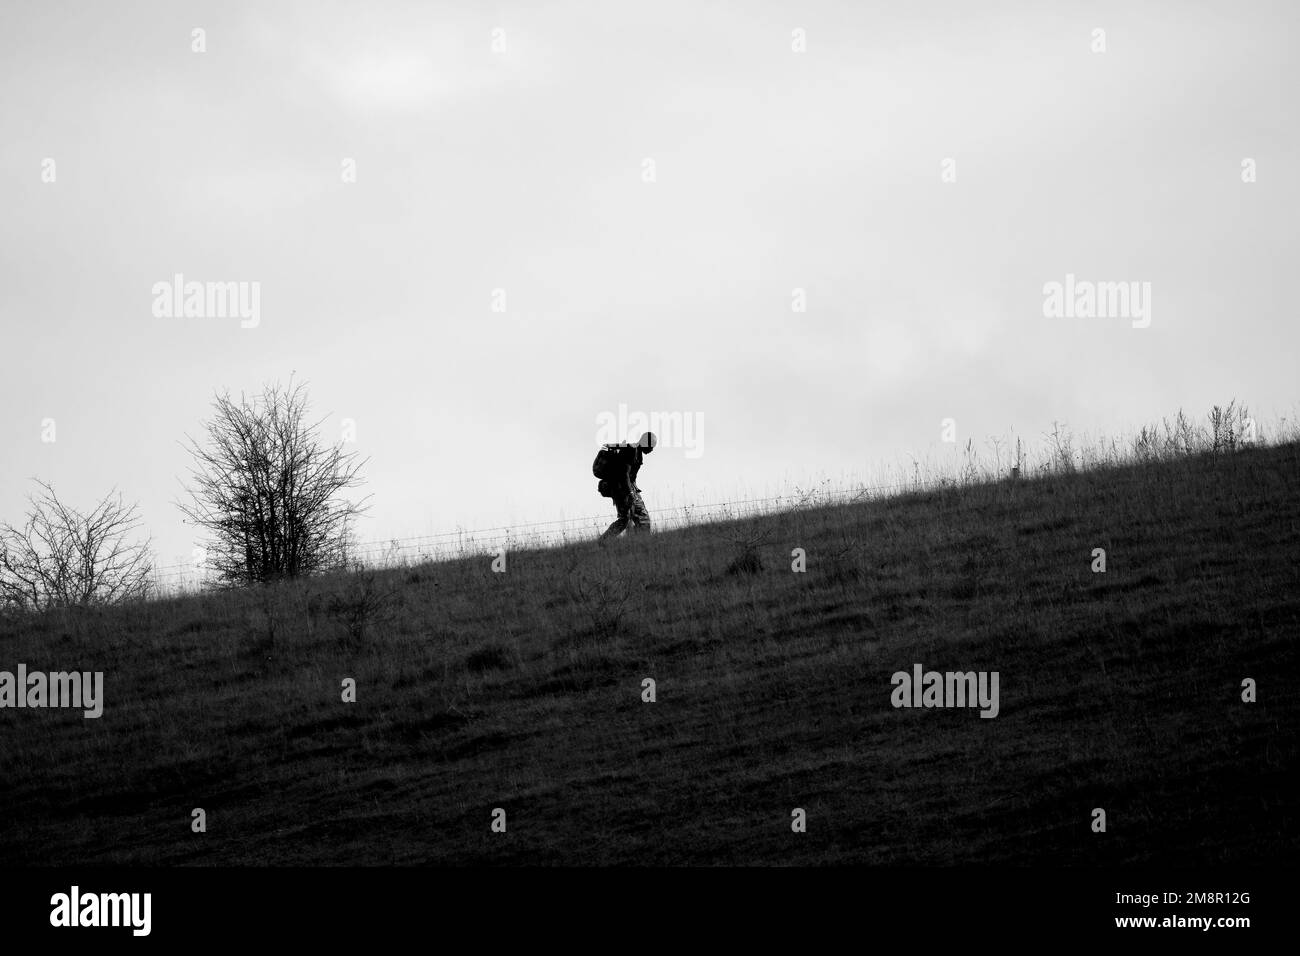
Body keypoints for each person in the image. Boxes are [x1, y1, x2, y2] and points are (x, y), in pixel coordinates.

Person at [595, 431, 656, 541]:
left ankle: (640, 543)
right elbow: (624, 474)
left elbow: (631, 476)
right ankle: (603, 542)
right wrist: (630, 493)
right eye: (651, 446)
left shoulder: (637, 453)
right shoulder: (631, 451)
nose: (652, 449)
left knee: (638, 518)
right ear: (646, 443)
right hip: (621, 489)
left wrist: (633, 491)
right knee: (627, 519)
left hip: (626, 488)